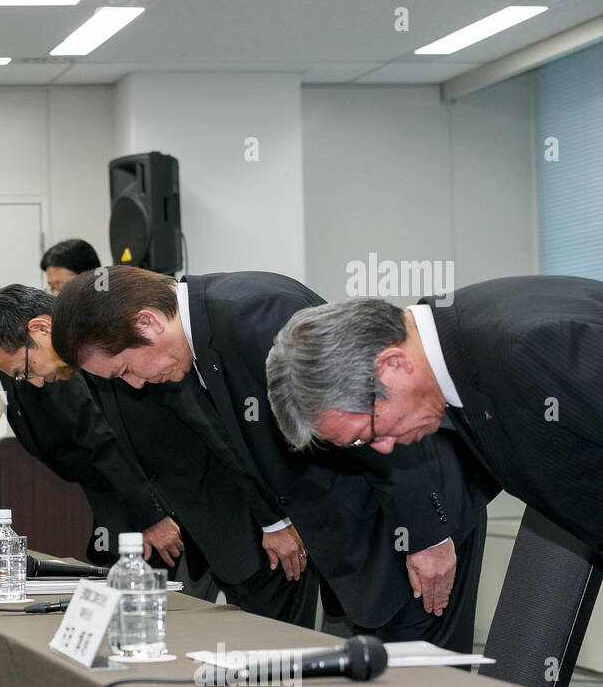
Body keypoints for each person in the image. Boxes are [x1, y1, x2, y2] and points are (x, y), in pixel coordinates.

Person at [53, 266, 498, 650]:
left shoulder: (256, 312)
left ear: (147, 322)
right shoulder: (202, 340)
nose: (134, 385)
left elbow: (378, 407)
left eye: (126, 370)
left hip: (408, 528)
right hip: (365, 545)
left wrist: (427, 535)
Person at [0, 284, 318, 626]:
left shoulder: (117, 338)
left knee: (278, 651)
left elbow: (218, 434)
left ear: (41, 328)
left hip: (250, 521)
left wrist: (273, 519)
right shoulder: (86, 365)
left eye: (25, 369)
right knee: (245, 648)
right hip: (206, 527)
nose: (34, 382)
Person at [264, 276, 603, 559]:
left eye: (366, 434)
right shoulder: (456, 356)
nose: (381, 449)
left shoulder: (527, 349)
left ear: (392, 365)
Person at [0, 354, 188, 572]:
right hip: (125, 517)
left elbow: (100, 440)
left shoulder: (32, 375)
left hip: (163, 500)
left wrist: (151, 517)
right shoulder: (11, 392)